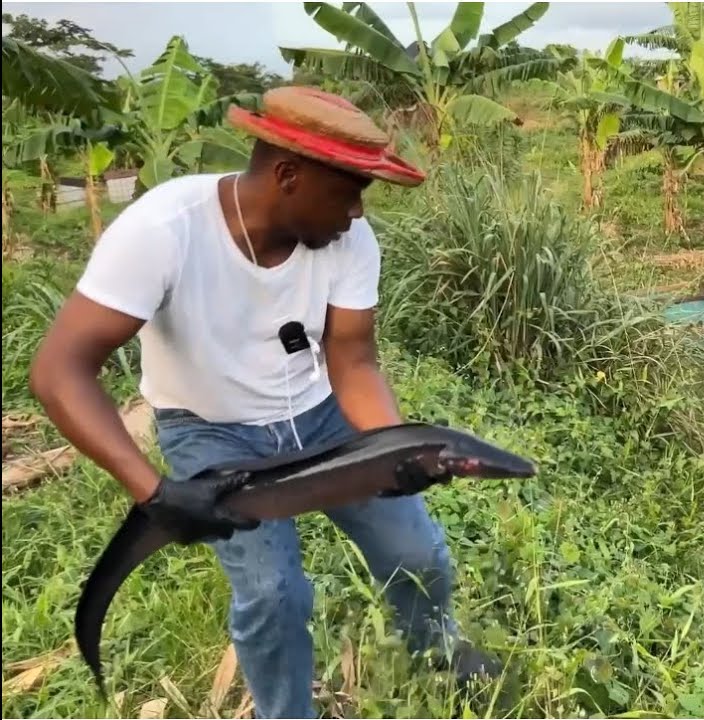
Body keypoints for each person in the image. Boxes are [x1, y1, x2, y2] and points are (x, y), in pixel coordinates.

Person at [28, 86, 497, 718]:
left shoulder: (349, 242)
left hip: (320, 415)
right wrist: (157, 493)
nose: (358, 212)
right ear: (287, 176)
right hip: (211, 430)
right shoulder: (164, 229)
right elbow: (61, 371)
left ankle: (437, 649)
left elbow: (353, 360)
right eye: (350, 190)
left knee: (416, 552)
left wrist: (399, 446)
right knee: (274, 594)